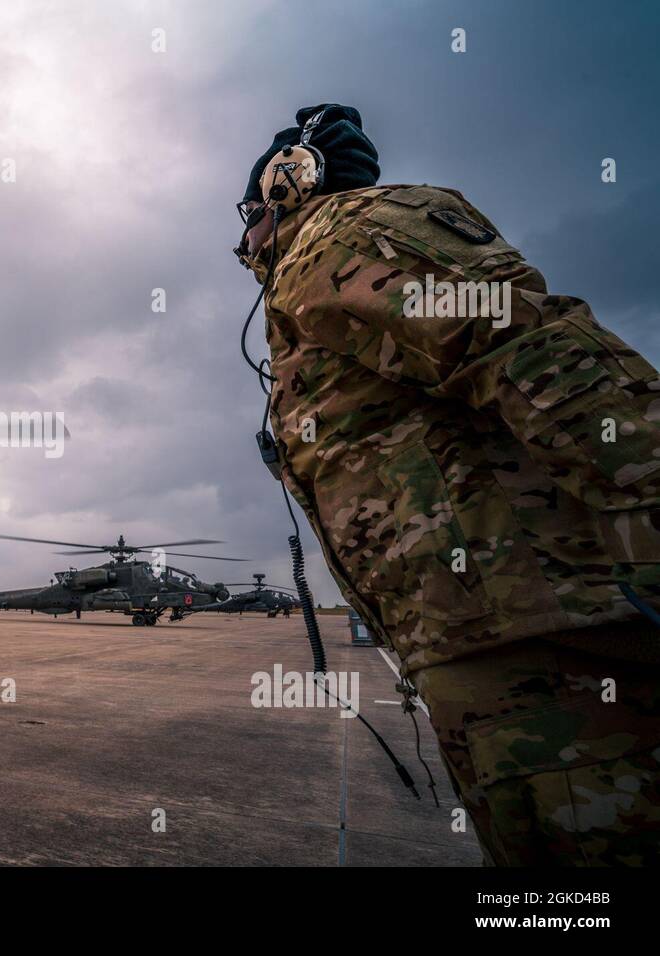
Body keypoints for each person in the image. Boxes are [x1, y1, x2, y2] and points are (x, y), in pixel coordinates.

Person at [235, 103, 660, 865]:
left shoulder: (341, 235)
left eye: (249, 210)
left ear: (287, 183)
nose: (244, 235)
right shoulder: (314, 274)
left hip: (543, 643)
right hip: (494, 640)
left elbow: (521, 342)